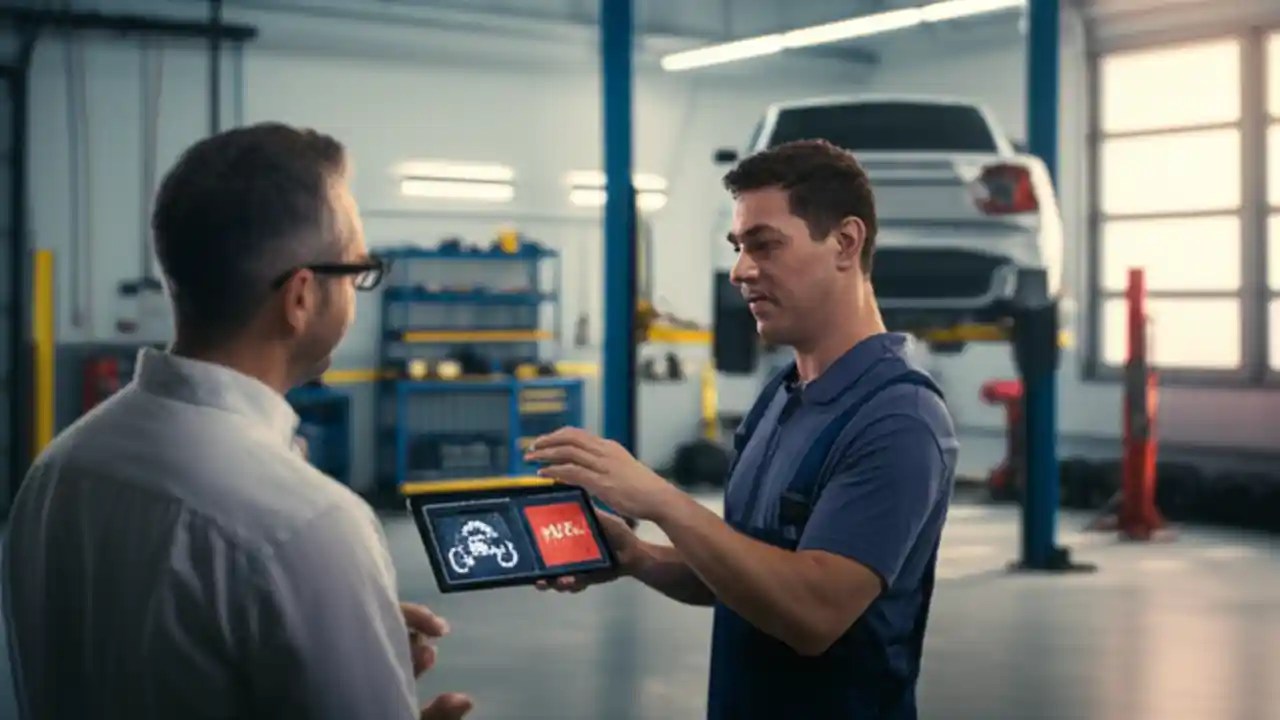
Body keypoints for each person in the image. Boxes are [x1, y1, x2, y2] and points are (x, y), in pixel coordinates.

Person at [2, 123, 472, 720]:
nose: (357, 290)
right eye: (356, 271)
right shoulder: (309, 525)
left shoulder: (59, 468)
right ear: (300, 298)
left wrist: (334, 632)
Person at [527, 139, 958, 719]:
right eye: (738, 247)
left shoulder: (898, 418)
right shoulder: (782, 397)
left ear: (845, 243)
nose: (740, 271)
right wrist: (637, 556)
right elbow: (745, 573)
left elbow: (812, 613)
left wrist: (660, 500)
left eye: (765, 245)